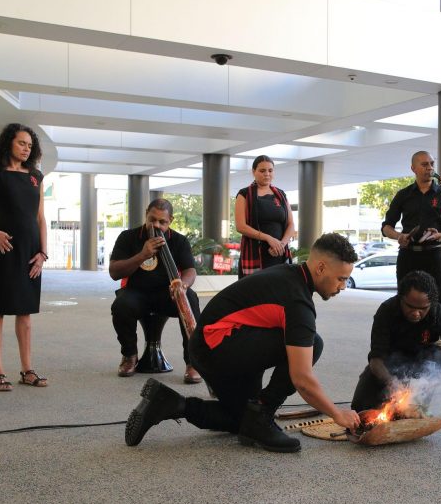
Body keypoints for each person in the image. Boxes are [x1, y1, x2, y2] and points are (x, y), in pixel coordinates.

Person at [125, 233, 361, 453]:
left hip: (213, 346)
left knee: (241, 421)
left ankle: (169, 403)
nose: (342, 286)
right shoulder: (297, 302)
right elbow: (302, 379)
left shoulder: (290, 275)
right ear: (320, 268)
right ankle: (262, 414)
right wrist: (337, 413)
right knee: (313, 343)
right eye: (341, 278)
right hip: (216, 348)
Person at [0, 123, 49, 391]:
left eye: (30, 145)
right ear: (8, 143)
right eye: (21, 143)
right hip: (2, 247)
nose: (26, 149)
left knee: (25, 311)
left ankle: (27, 370)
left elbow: (40, 217)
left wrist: (43, 253)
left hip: (31, 249)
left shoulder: (36, 176)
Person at [109, 199, 202, 383]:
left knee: (190, 298)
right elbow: (114, 272)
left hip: (166, 294)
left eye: (162, 222)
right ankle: (129, 356)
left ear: (171, 221)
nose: (156, 225)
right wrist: (142, 255)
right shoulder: (128, 237)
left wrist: (182, 285)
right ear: (146, 214)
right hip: (137, 292)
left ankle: (193, 363)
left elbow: (190, 270)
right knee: (121, 305)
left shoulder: (179, 241)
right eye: (152, 219)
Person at [351, 270, 441, 412]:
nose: (416, 313)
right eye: (410, 307)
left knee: (409, 411)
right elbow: (376, 361)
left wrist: (433, 383)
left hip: (424, 362)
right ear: (401, 298)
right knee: (359, 407)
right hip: (391, 360)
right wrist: (393, 384)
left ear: (431, 304)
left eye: (423, 309)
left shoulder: (440, 314)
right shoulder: (386, 310)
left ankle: (419, 404)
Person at [381, 151, 441, 298]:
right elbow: (386, 227)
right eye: (424, 164)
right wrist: (399, 236)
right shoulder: (403, 195)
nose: (429, 168)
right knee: (404, 299)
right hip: (408, 254)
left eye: (432, 164)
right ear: (413, 168)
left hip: (434, 255)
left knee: (435, 299)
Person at [235, 155, 295, 277]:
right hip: (255, 254)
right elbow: (240, 226)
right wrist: (269, 239)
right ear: (253, 172)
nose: (267, 174)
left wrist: (280, 245)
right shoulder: (244, 194)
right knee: (255, 293)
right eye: (262, 171)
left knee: (279, 294)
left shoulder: (281, 194)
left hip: (279, 253)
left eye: (270, 170)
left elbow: (291, 224)